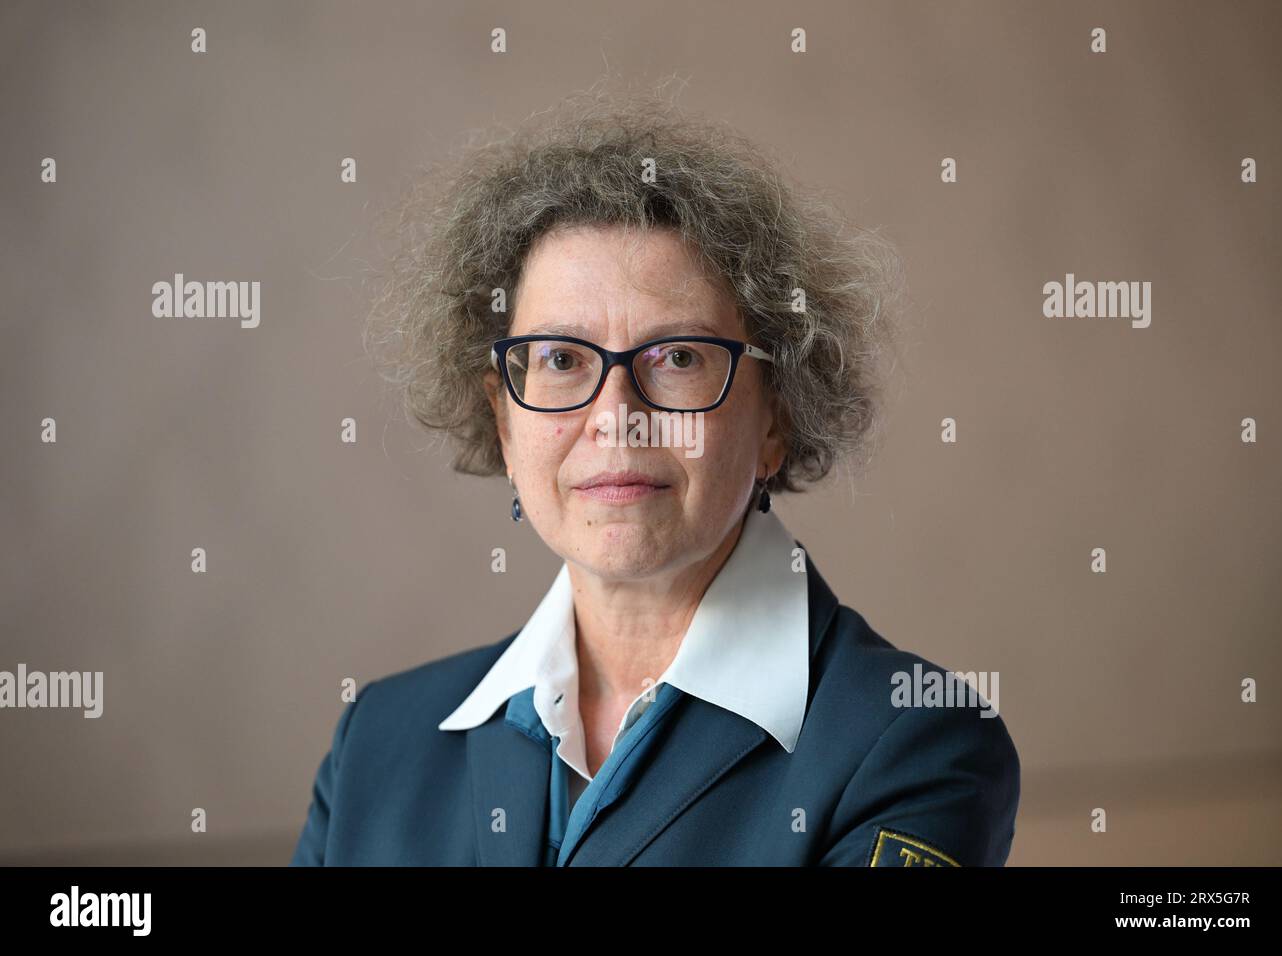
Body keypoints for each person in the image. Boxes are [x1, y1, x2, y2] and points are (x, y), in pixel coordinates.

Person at [290, 85, 1019, 866]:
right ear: (505, 421)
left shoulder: (914, 745)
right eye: (562, 359)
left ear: (777, 414)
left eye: (676, 357)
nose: (616, 415)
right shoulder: (376, 744)